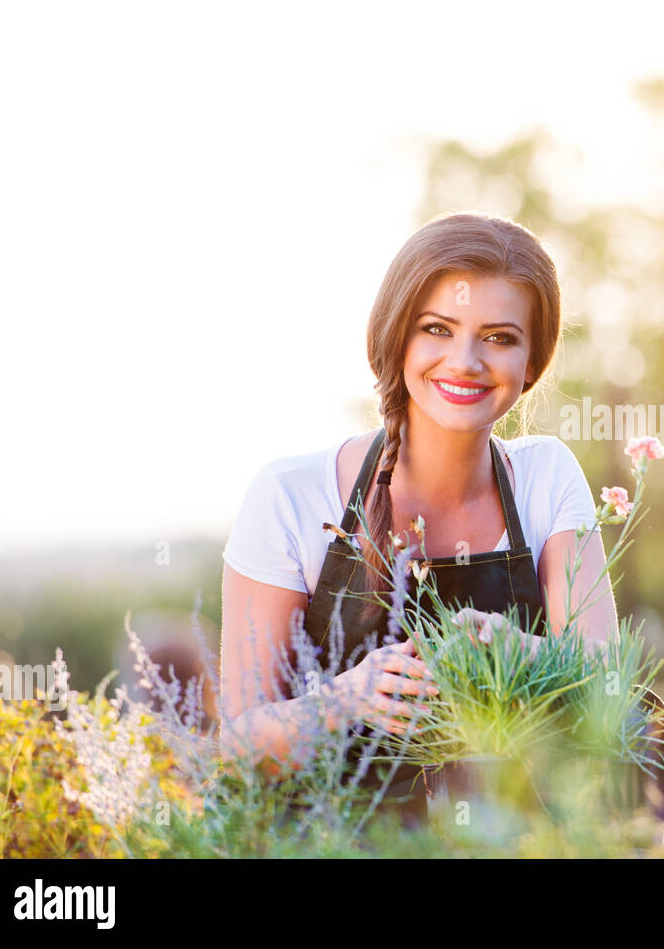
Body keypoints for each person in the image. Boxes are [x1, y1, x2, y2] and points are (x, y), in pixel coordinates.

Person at [217, 212, 617, 807]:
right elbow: (240, 747)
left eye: (500, 337)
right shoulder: (291, 495)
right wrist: (351, 698)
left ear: (532, 362)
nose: (465, 361)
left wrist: (523, 656)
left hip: (511, 840)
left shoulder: (546, 476)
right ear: (396, 335)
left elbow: (609, 693)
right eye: (437, 328)